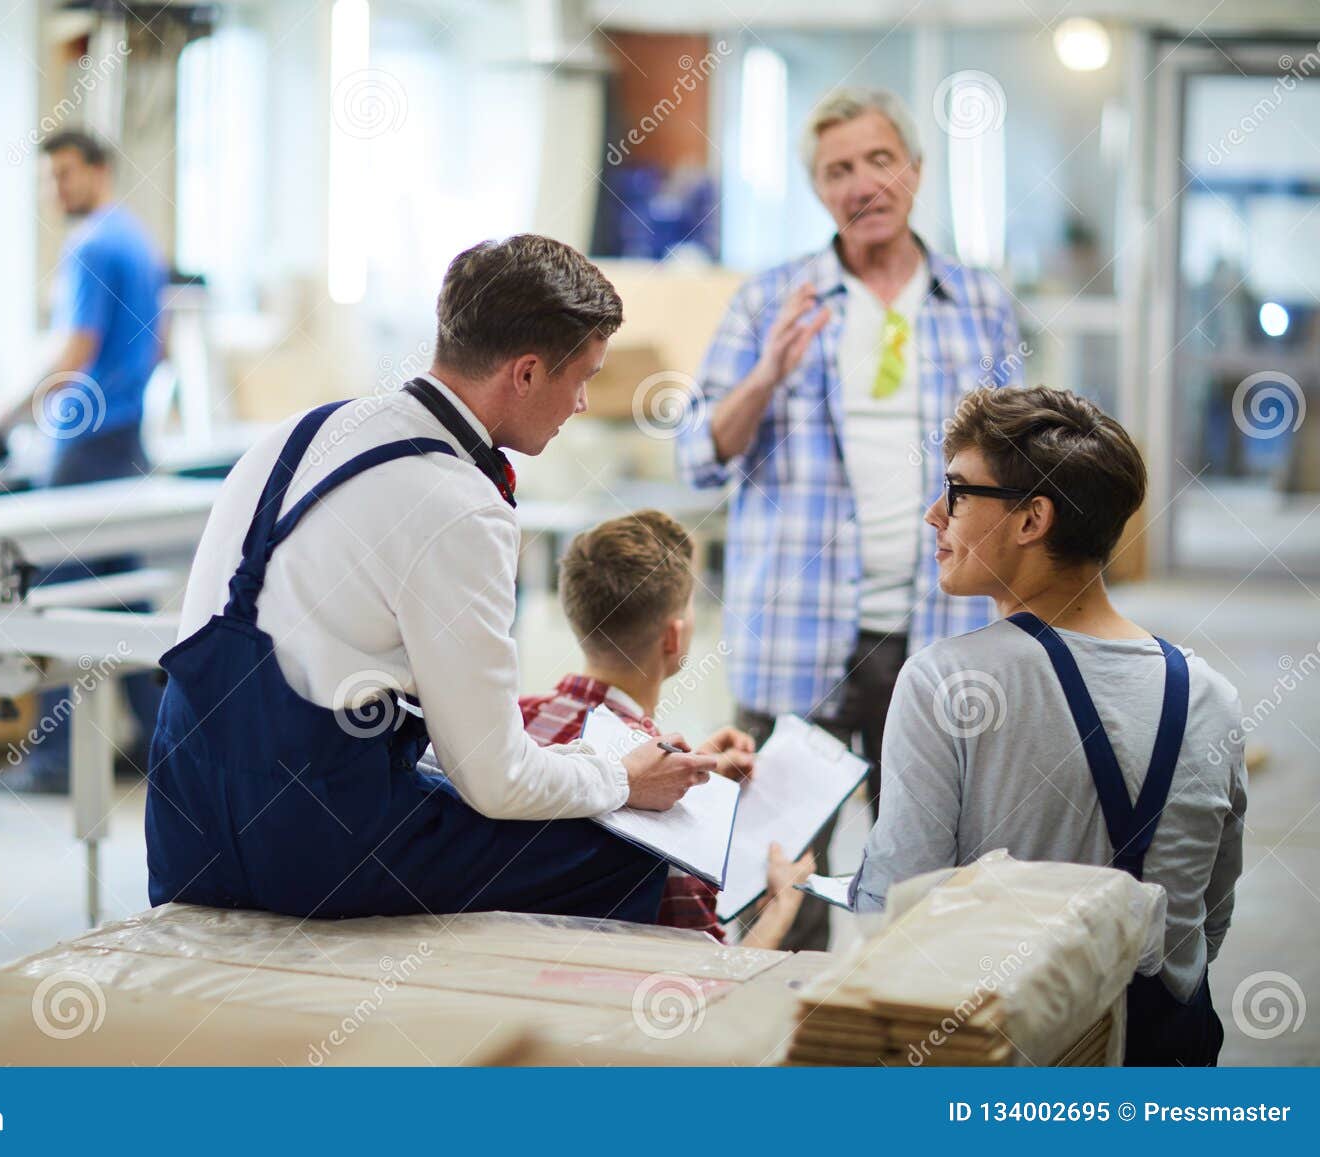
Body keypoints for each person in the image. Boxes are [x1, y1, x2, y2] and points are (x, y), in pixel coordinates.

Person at [146, 235, 718, 922]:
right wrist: (619, 778)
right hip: (308, 847)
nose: (583, 405)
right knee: (629, 858)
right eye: (584, 377)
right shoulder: (459, 503)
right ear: (528, 373)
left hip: (185, 823)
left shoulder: (304, 431)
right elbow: (495, 781)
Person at [675, 86, 1024, 951]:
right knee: (780, 880)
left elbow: (1021, 464)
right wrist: (766, 373)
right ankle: (785, 1066)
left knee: (936, 882)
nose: (863, 183)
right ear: (817, 190)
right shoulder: (772, 301)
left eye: (879, 160)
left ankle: (917, 1058)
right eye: (838, 170)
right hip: (796, 640)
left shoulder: (979, 303)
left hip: (942, 637)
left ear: (915, 170)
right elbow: (697, 454)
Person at [850, 386, 1246, 1066]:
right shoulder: (1211, 696)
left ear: (1032, 518)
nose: (933, 514)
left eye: (960, 493)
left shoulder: (945, 682)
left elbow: (896, 913)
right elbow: (1209, 915)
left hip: (1005, 1061)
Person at [518, 509, 815, 947]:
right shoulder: (671, 820)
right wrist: (779, 906)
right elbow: (709, 985)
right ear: (674, 638)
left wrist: (704, 779)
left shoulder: (513, 724)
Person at [0, 129, 169, 794]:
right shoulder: (139, 242)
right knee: (121, 598)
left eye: (65, 174)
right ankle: (164, 739)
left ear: (98, 170)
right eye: (48, 178)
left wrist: (7, 413)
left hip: (87, 445)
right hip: (126, 439)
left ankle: (55, 757)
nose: (56, 189)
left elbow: (76, 349)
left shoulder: (91, 245)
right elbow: (159, 341)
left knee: (52, 597)